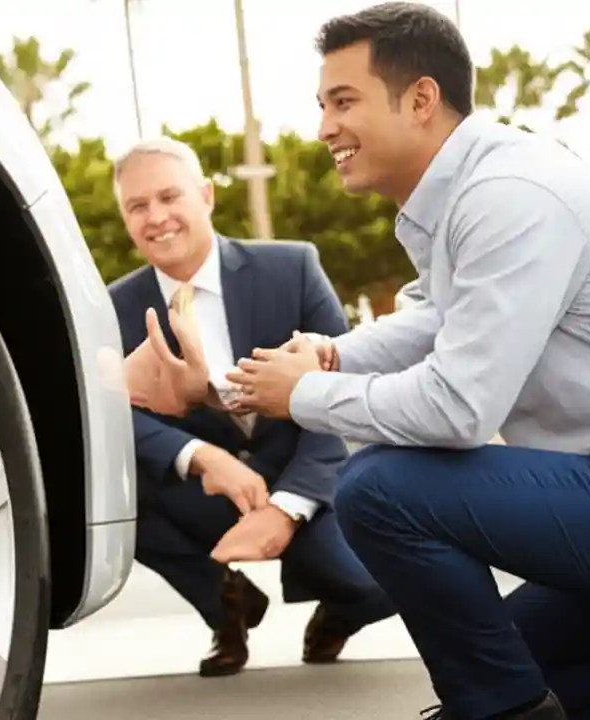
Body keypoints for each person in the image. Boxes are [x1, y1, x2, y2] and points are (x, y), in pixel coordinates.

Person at [130, 3, 590, 718]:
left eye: (343, 102)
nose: (324, 127)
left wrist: (304, 394)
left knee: (382, 488)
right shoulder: (469, 192)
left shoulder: (509, 194)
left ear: (421, 99)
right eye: (322, 105)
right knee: (514, 657)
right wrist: (248, 382)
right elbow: (431, 318)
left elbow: (459, 410)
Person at [111, 136, 396, 678]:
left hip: (304, 472)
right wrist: (200, 455)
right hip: (202, 488)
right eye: (138, 206)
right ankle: (227, 608)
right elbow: (112, 415)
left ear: (207, 196)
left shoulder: (293, 268)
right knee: (112, 495)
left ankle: (340, 613)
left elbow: (339, 392)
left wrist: (285, 509)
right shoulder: (113, 307)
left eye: (170, 197)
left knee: (376, 584)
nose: (157, 217)